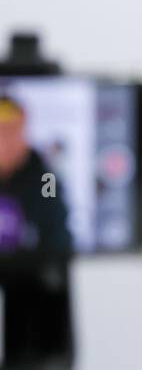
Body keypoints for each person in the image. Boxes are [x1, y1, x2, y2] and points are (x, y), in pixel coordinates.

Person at [0, 94, 73, 256]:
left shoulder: (48, 180)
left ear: (24, 131)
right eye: (1, 132)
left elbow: (59, 236)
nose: (5, 141)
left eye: (12, 131)